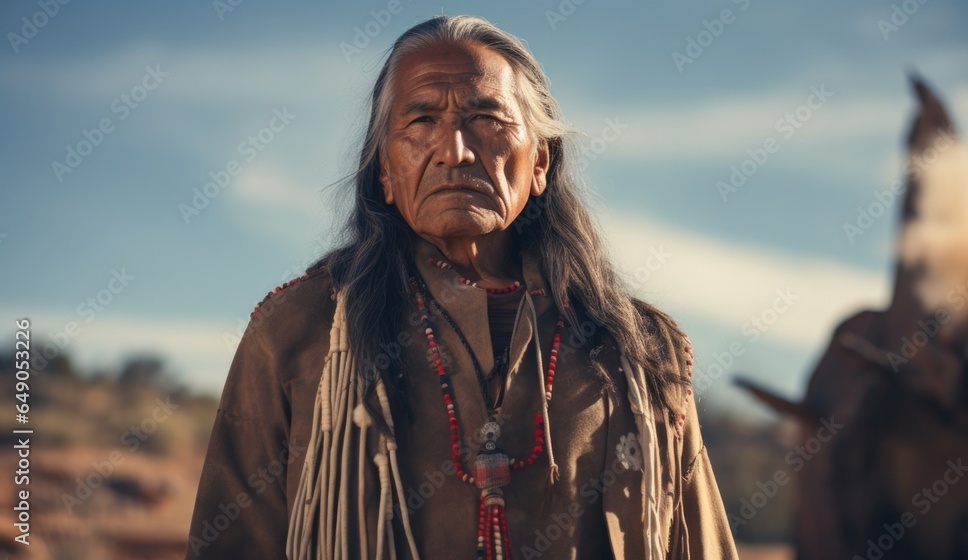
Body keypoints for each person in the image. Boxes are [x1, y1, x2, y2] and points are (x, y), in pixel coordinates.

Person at [186, 14, 737, 560]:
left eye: (487, 119)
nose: (455, 150)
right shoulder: (297, 329)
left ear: (540, 161)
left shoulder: (637, 350)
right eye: (422, 121)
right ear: (385, 170)